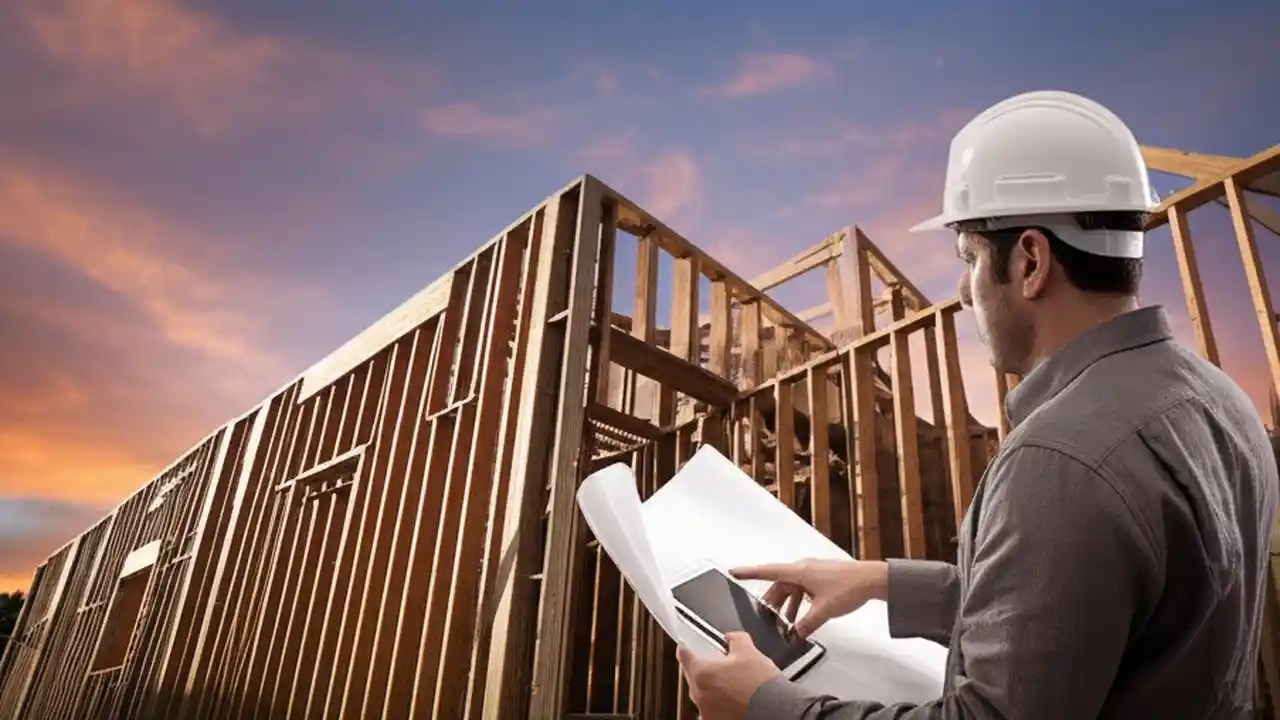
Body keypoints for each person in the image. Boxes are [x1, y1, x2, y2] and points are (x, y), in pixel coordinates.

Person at [676, 90, 1280, 719]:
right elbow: (1073, 602)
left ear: (1030, 261)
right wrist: (879, 581)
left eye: (967, 258)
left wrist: (764, 706)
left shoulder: (1061, 460)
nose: (964, 293)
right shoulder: (1221, 400)